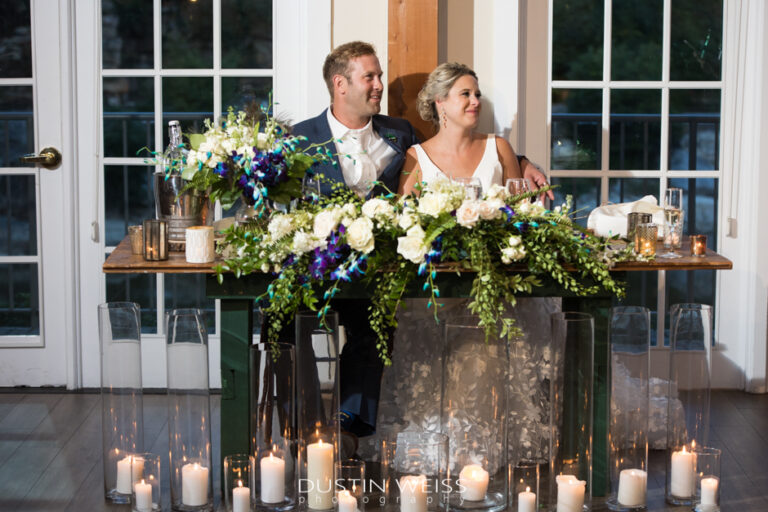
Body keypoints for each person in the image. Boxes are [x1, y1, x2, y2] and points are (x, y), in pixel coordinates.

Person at [282, 42, 419, 442]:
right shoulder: (300, 137)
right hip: (313, 269)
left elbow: (447, 153)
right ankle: (303, 428)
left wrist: (523, 162)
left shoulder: (400, 133)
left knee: (375, 329)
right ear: (340, 84)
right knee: (282, 328)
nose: (379, 85)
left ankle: (346, 432)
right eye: (370, 77)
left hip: (372, 270)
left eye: (379, 76)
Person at [398, 62, 553, 198]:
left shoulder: (499, 147)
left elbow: (520, 212)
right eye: (466, 94)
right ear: (440, 101)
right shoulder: (416, 156)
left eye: (477, 95)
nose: (476, 102)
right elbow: (404, 219)